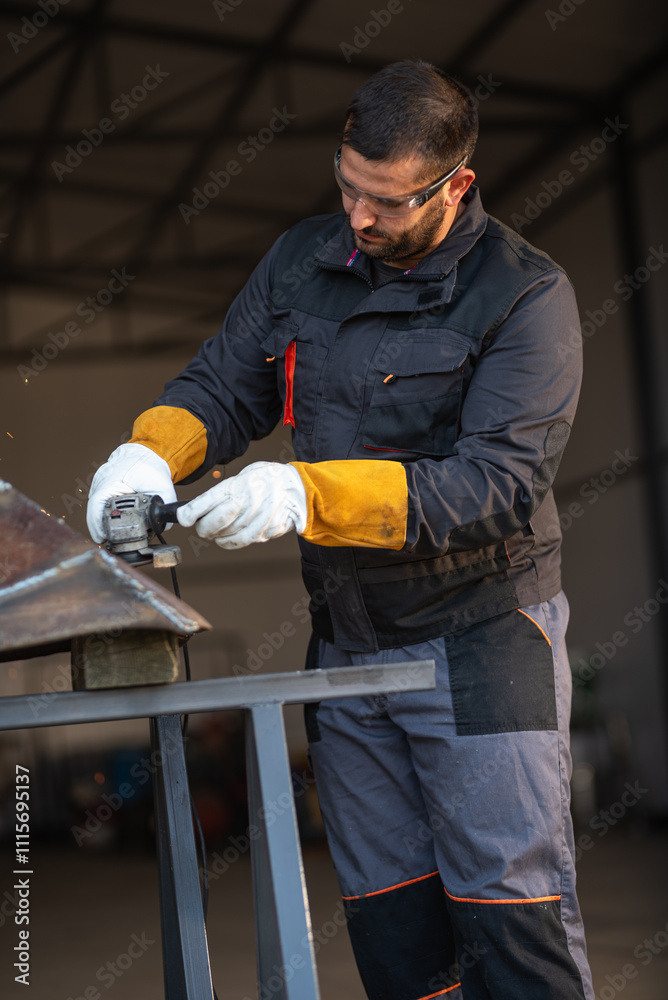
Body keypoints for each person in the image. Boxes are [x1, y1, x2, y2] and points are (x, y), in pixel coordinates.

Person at [87, 60, 593, 1000]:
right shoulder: (301, 260)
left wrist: (305, 498)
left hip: (482, 647)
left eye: (388, 204)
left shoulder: (527, 297)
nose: (359, 220)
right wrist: (147, 455)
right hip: (349, 655)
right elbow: (223, 382)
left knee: (507, 923)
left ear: (457, 187)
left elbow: (495, 486)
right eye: (348, 187)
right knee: (395, 934)